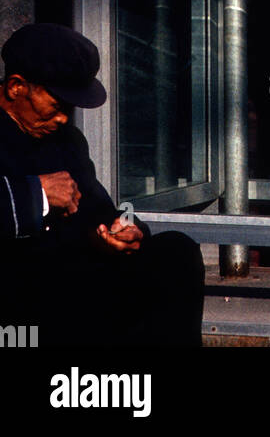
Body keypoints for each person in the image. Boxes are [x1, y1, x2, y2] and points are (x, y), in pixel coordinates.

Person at [0, 21, 205, 346]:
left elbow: (98, 209)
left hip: (68, 283)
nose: (63, 118)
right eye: (55, 105)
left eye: (69, 108)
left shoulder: (65, 140)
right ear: (16, 87)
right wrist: (36, 194)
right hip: (18, 294)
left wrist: (121, 230)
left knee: (174, 254)